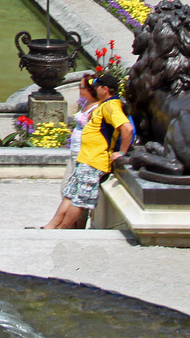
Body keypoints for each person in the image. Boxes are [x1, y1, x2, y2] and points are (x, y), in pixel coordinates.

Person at [43, 73, 131, 229]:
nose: (94, 89)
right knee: (69, 195)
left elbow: (127, 128)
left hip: (94, 160)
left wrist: (122, 153)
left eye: (97, 86)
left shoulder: (111, 105)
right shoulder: (104, 105)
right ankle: (51, 227)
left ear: (105, 89)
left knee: (80, 200)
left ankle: (62, 230)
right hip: (86, 158)